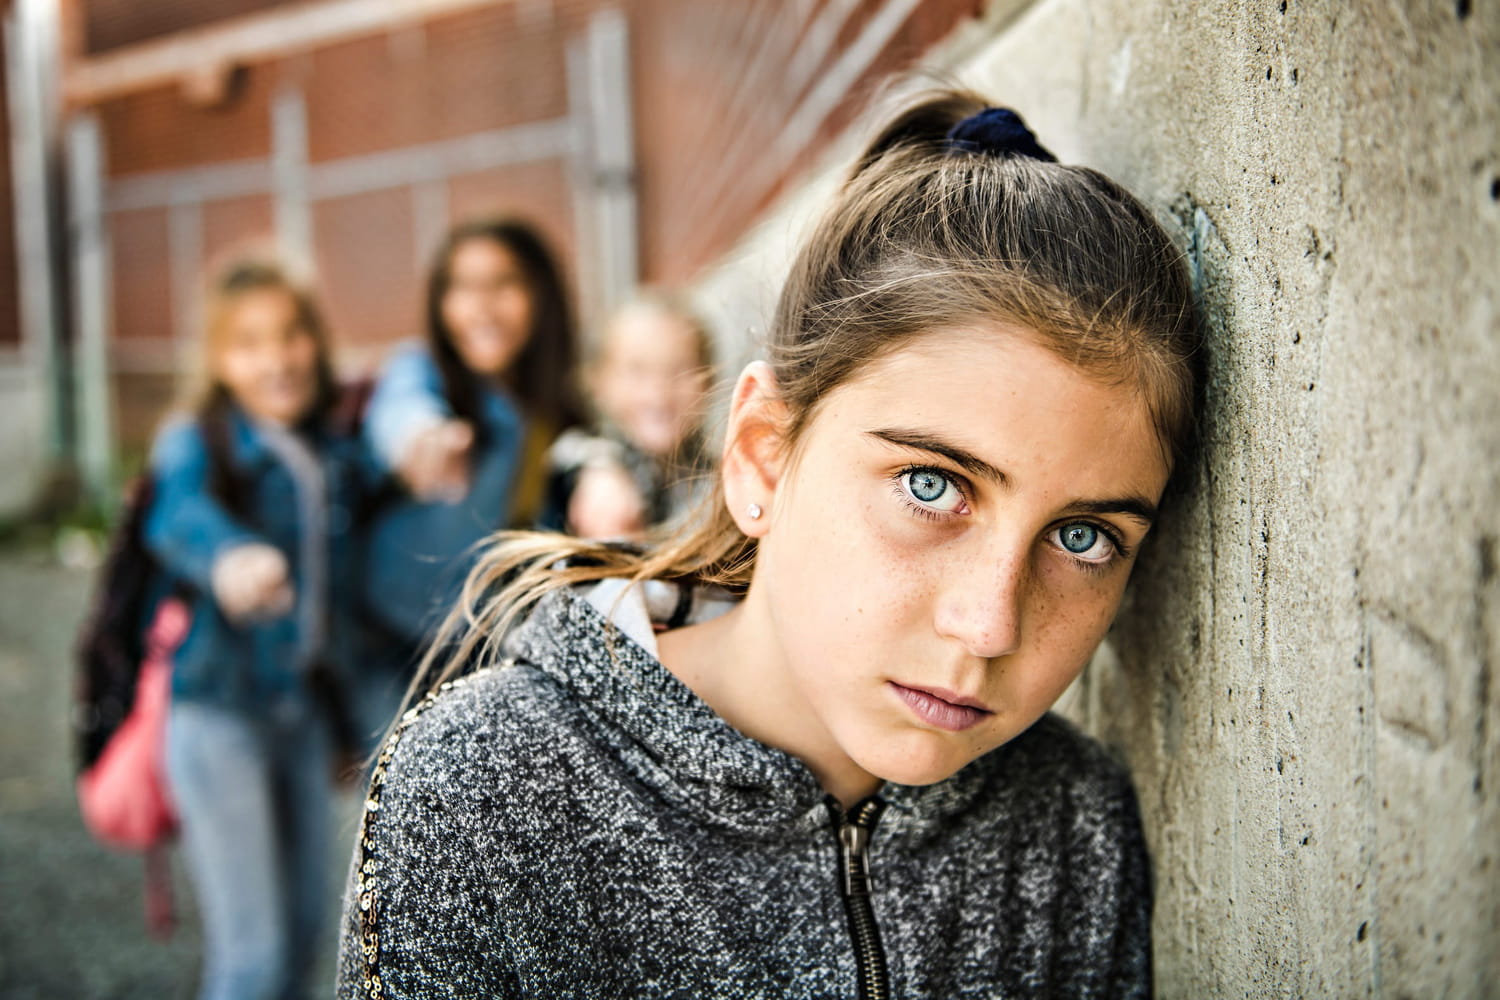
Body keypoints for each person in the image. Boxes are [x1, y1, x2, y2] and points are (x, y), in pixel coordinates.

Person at [337, 89, 1200, 999]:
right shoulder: (486, 793)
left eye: (1082, 535)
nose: (989, 626)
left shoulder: (1075, 822)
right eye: (931, 486)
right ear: (761, 460)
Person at [145, 258, 362, 1000]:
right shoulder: (195, 440)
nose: (276, 357)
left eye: (292, 334)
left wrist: (339, 725)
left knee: (308, 939)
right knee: (252, 959)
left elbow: (336, 606)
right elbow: (176, 515)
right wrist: (231, 557)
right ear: (216, 358)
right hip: (217, 714)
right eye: (248, 342)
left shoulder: (330, 449)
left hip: (298, 717)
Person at [355, 218, 581, 746]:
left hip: (481, 647)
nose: (481, 306)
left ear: (539, 296)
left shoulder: (551, 407)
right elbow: (401, 411)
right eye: (462, 286)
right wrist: (423, 440)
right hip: (388, 648)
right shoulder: (424, 370)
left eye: (503, 283)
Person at [540, 291, 715, 538]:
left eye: (680, 369)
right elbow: (567, 456)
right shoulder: (589, 456)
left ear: (710, 380)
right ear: (597, 382)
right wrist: (599, 472)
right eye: (637, 371)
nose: (659, 391)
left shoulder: (718, 479)